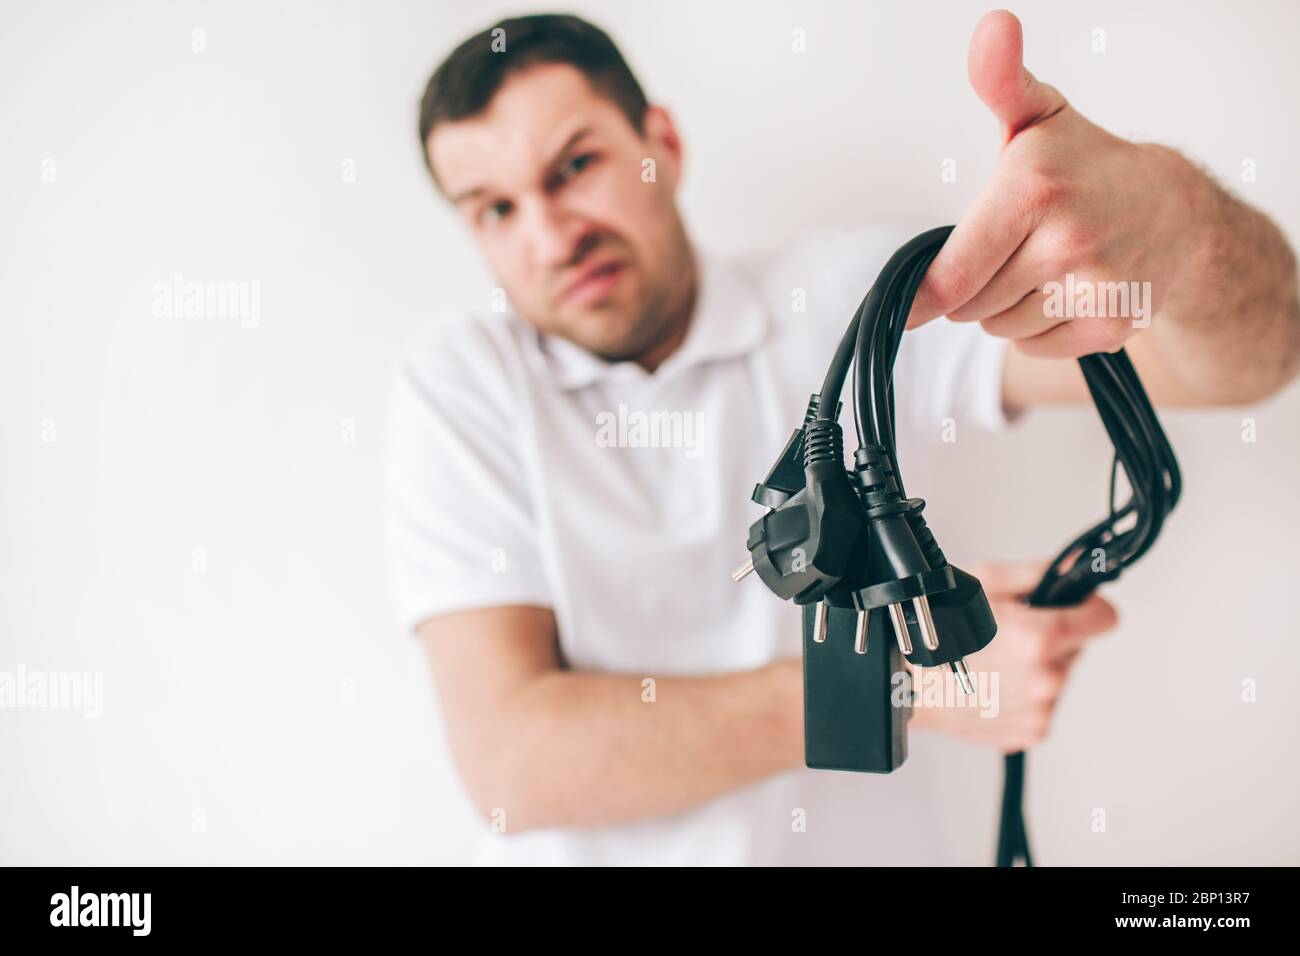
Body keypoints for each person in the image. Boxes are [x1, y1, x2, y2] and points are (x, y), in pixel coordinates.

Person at [385, 11, 1299, 865]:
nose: (549, 237)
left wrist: (1181, 222)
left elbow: (1250, 364)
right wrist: (904, 684)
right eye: (494, 209)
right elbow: (514, 765)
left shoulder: (859, 305)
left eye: (572, 167)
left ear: (661, 142)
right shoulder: (465, 388)